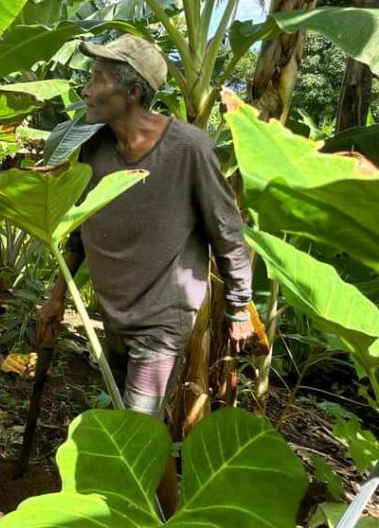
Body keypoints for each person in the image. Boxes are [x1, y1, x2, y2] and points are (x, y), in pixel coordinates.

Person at [39, 35, 255, 515]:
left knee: (135, 429)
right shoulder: (92, 148)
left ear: (132, 92)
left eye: (98, 80)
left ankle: (128, 518)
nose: (86, 90)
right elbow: (77, 232)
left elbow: (227, 231)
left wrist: (239, 307)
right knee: (140, 429)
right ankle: (174, 516)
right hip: (111, 313)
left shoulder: (189, 149)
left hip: (163, 317)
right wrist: (57, 297)